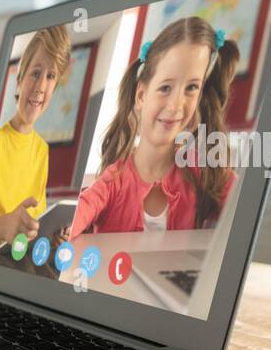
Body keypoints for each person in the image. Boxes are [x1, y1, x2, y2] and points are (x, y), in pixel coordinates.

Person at [68, 17, 239, 238]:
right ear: (141, 96)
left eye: (191, 88)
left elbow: (245, 208)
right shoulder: (113, 182)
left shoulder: (203, 173)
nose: (176, 104)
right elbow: (75, 217)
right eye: (166, 87)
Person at [0, 25, 71, 262]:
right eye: (35, 73)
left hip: (17, 262)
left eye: (51, 76)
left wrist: (50, 237)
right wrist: (5, 225)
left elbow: (34, 227)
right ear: (20, 80)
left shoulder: (42, 150)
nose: (40, 86)